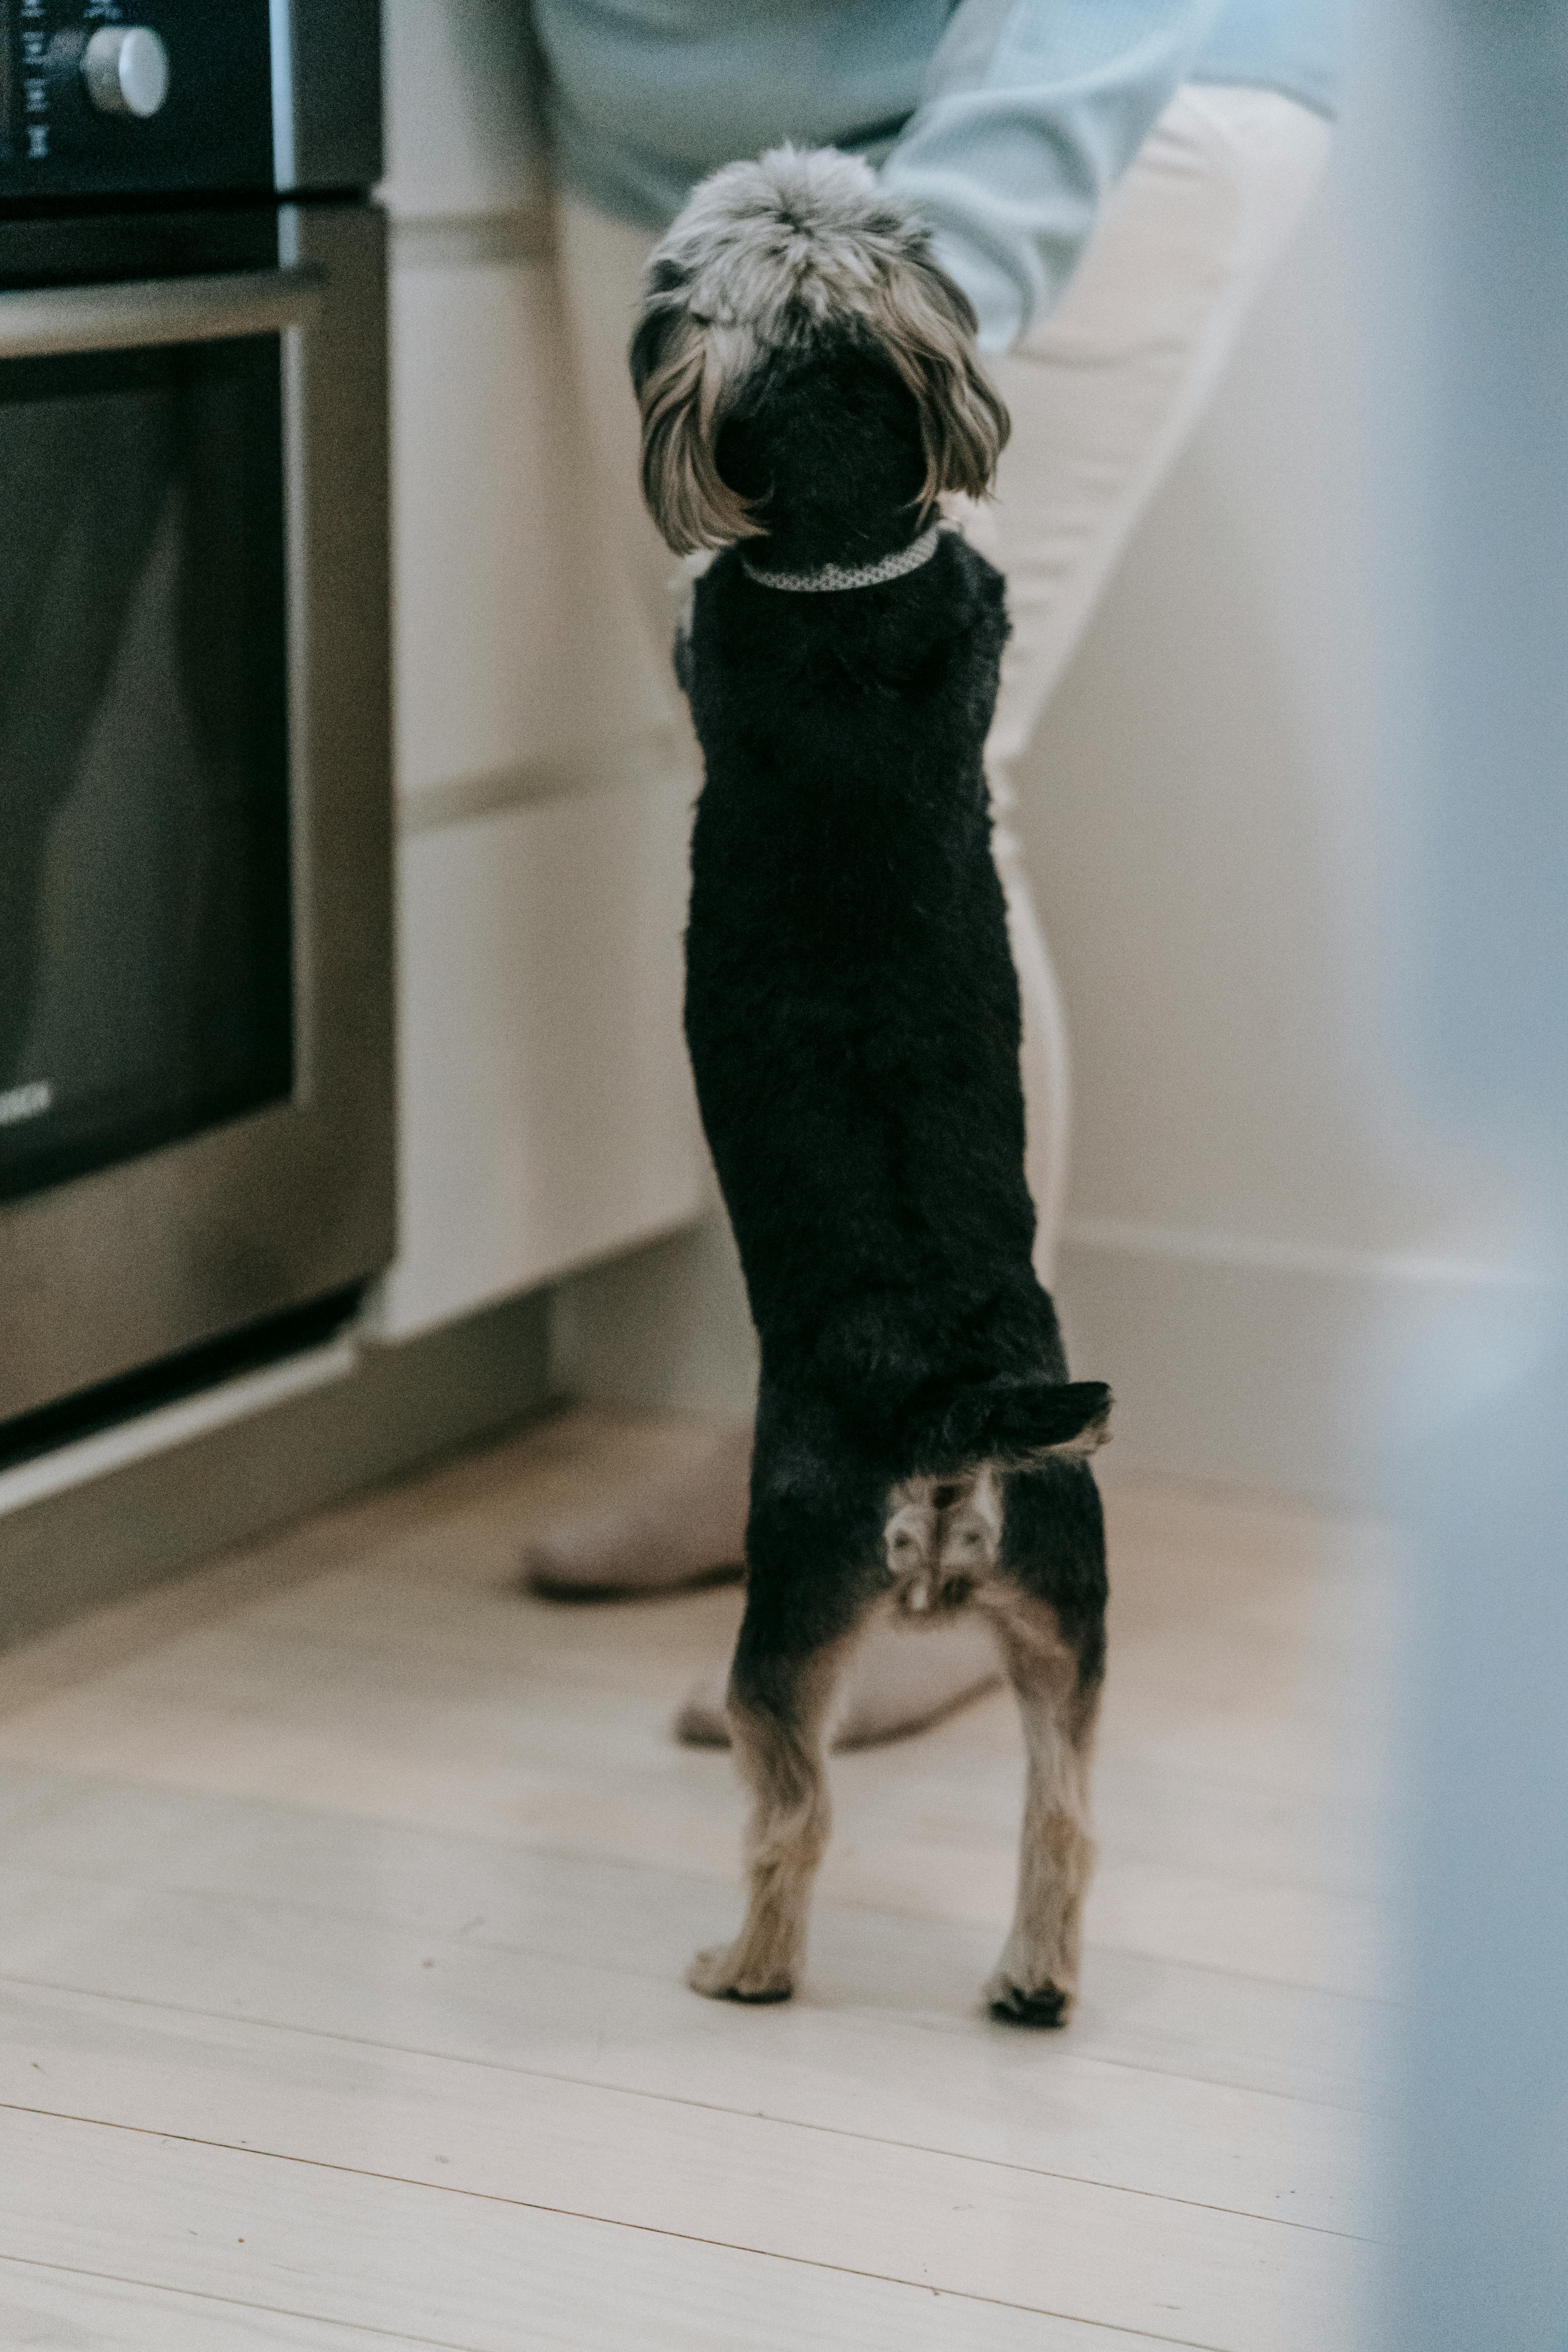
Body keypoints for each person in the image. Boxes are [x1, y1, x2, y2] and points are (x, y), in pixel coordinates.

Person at [523, 0, 1342, 1746]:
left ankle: (955, 1528)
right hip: (658, 153)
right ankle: (817, 1443)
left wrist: (891, 313)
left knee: (905, 803)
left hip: (1057, 87)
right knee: (754, 795)